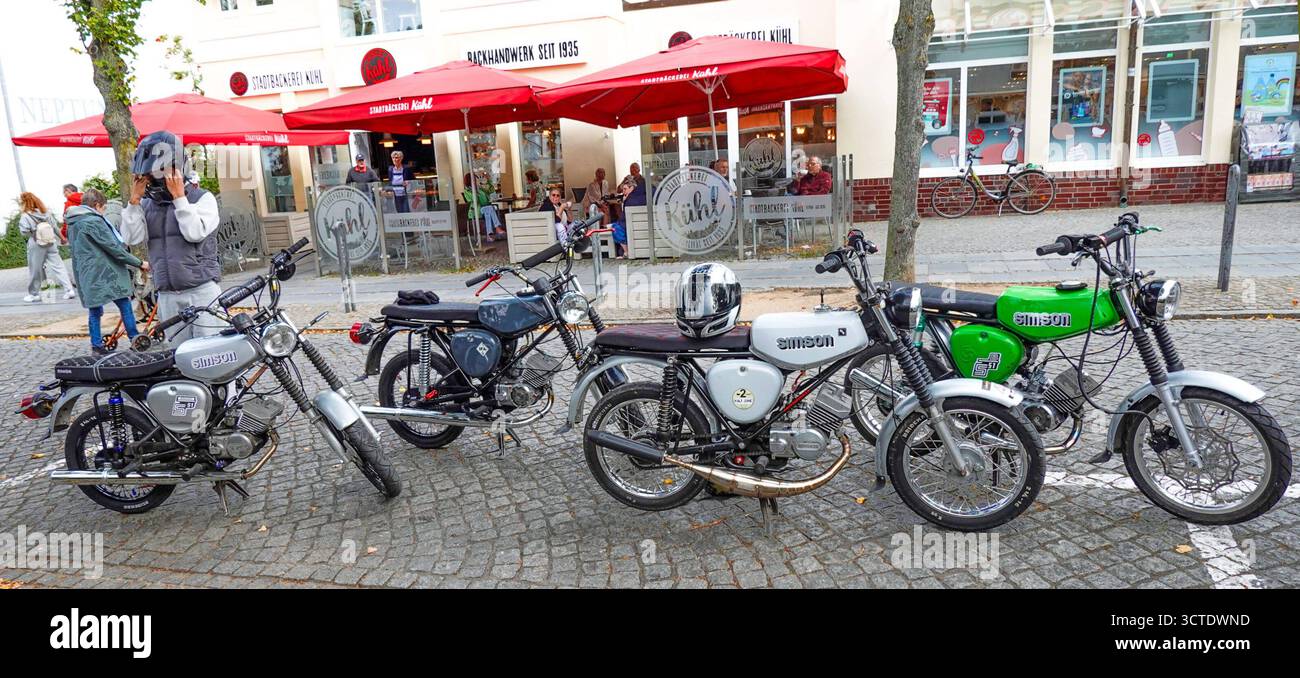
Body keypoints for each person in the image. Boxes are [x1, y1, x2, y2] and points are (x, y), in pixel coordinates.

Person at [120, 130, 224, 344]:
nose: (154, 180)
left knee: (214, 353)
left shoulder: (202, 198)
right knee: (178, 357)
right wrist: (134, 201)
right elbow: (131, 238)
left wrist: (179, 198)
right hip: (167, 295)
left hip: (201, 291)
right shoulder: (148, 205)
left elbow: (194, 233)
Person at [67, 189, 149, 355]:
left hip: (87, 274)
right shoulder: (93, 221)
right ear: (97, 205)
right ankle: (134, 336)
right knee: (124, 304)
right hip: (106, 273)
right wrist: (139, 263)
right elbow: (113, 248)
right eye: (104, 208)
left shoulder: (73, 222)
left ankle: (96, 344)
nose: (103, 212)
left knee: (94, 310)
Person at [16, 192, 76, 303]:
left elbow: (24, 232)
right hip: (50, 241)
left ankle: (33, 294)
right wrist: (62, 238)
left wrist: (33, 234)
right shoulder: (45, 212)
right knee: (58, 266)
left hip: (36, 243)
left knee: (35, 269)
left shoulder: (26, 216)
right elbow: (54, 227)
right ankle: (69, 290)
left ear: (24, 202)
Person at [463, 173, 506, 243]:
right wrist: (475, 190)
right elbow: (475, 201)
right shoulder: (467, 191)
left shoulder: (480, 188)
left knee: (488, 212)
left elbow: (491, 191)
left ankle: (489, 236)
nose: (475, 180)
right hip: (475, 210)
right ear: (469, 181)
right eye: (473, 179)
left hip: (485, 208)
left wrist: (487, 181)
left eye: (475, 179)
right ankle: (497, 228)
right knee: (490, 208)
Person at [610, 179, 636, 259]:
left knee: (615, 228)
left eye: (625, 189)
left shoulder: (631, 199)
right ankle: (625, 251)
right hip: (631, 222)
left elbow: (624, 217)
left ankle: (626, 252)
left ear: (631, 188)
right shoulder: (630, 198)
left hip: (630, 223)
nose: (623, 192)